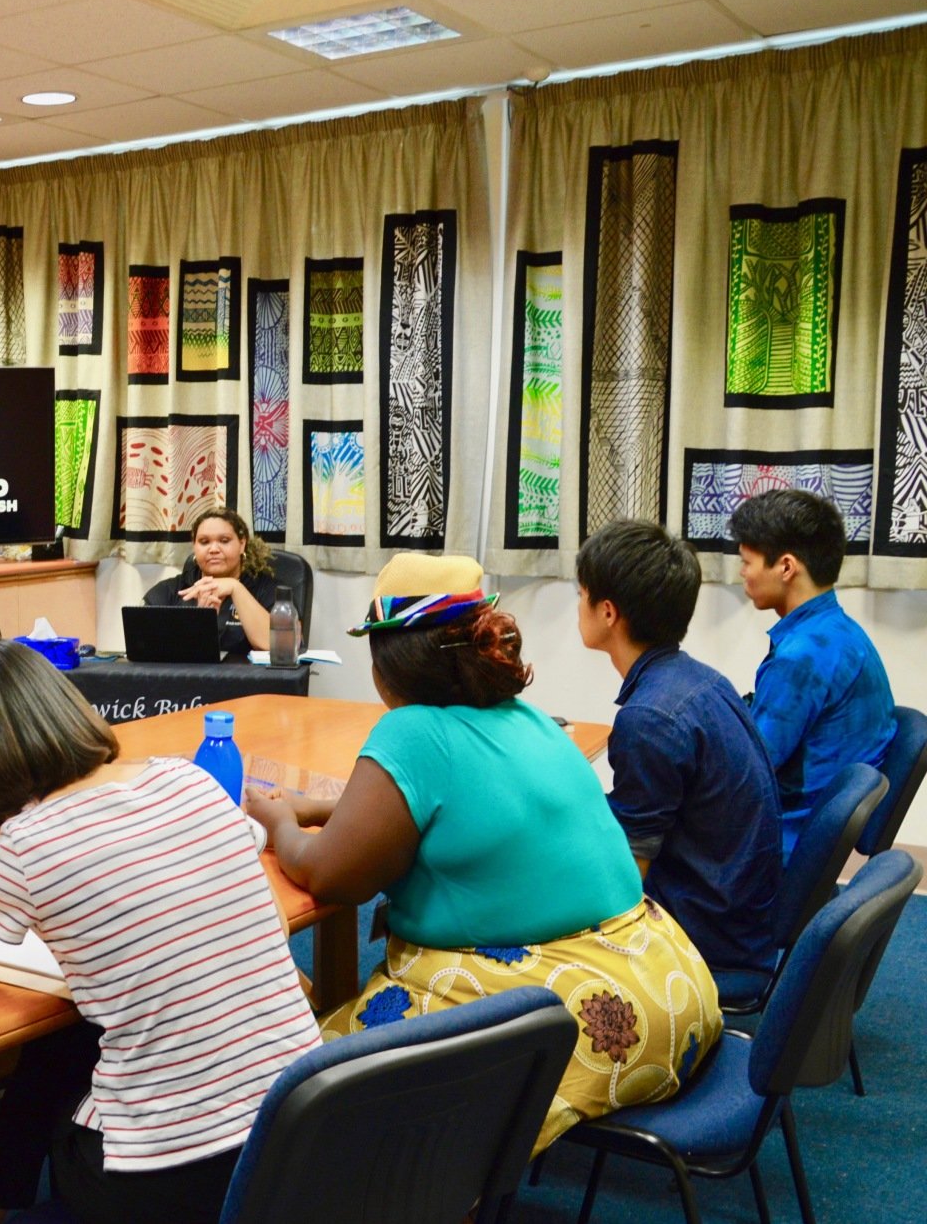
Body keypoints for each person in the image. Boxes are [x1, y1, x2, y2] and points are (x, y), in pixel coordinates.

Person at [247, 552, 722, 1153]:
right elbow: (444, 802)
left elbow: (329, 876)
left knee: (304, 1092)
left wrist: (280, 819)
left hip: (579, 1015)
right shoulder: (531, 720)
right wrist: (327, 806)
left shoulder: (412, 731)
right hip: (669, 986)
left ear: (386, 659)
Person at [0, 641, 321, 1224]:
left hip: (164, 1183)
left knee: (57, 1041)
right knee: (77, 1022)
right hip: (301, 1131)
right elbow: (267, 918)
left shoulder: (27, 844)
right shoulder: (190, 780)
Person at [575, 521, 781, 976]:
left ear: (608, 612)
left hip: (705, 935)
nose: (578, 605)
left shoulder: (649, 716)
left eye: (580, 593)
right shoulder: (701, 679)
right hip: (740, 910)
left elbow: (627, 880)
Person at [731, 489, 896, 851]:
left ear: (786, 567)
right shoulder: (840, 631)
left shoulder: (802, 656)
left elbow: (749, 771)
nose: (741, 573)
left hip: (783, 841)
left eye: (747, 562)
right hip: (816, 832)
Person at [141, 506, 276, 657]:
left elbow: (276, 645)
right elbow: (146, 650)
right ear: (195, 546)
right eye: (204, 542)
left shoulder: (266, 588)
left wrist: (235, 587)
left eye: (224, 541)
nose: (213, 549)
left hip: (248, 679)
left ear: (242, 544)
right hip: (186, 679)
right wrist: (198, 622)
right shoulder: (169, 591)